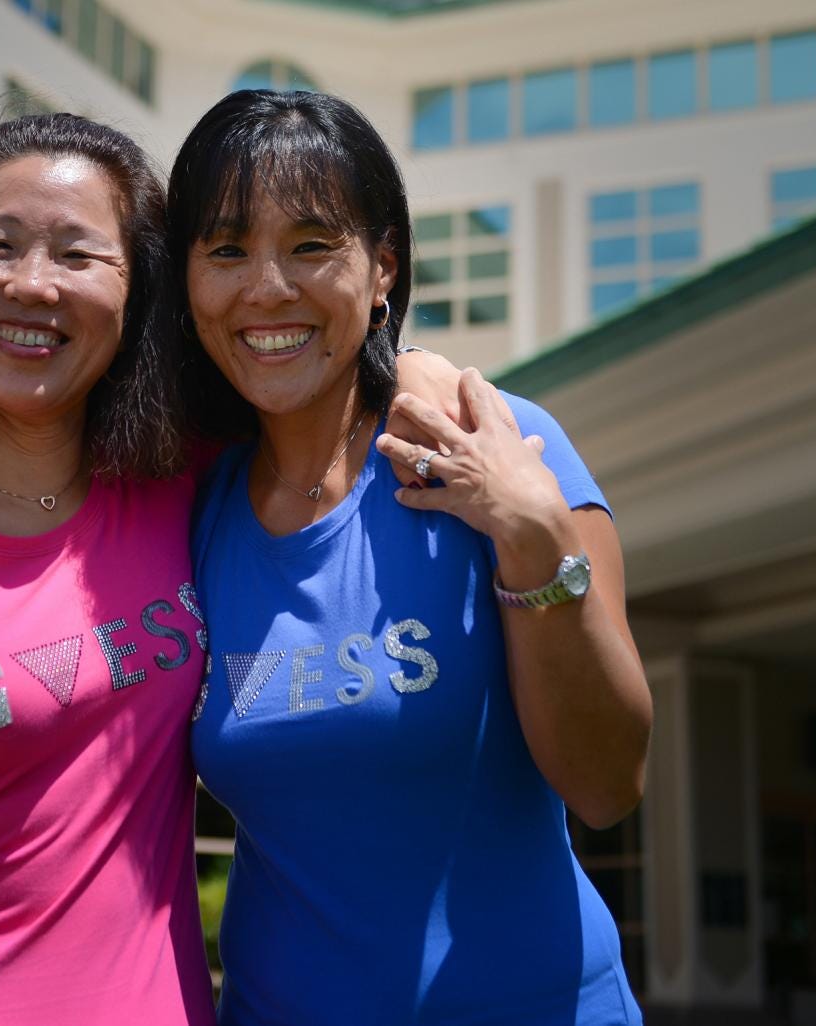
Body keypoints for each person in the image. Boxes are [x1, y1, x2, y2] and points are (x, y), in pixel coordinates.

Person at [0, 109, 472, 1026]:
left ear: (139, 294)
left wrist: (416, 372)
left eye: (79, 256)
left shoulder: (188, 485)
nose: (33, 285)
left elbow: (316, 377)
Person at [171, 90, 653, 1025]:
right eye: (226, 250)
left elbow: (608, 784)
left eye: (312, 245)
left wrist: (535, 539)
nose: (266, 286)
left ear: (382, 264)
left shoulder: (500, 443)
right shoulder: (186, 507)